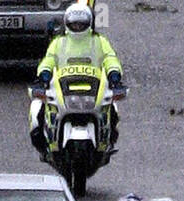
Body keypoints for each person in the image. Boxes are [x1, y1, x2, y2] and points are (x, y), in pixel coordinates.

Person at [30, 3, 123, 154]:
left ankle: (108, 139)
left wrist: (114, 74)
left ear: (89, 23)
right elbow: (49, 59)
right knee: (38, 106)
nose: (78, 27)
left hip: (93, 85)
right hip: (62, 85)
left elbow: (109, 58)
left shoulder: (99, 41)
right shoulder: (59, 42)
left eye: (81, 24)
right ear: (67, 23)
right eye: (75, 24)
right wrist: (44, 75)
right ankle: (44, 144)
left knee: (112, 106)